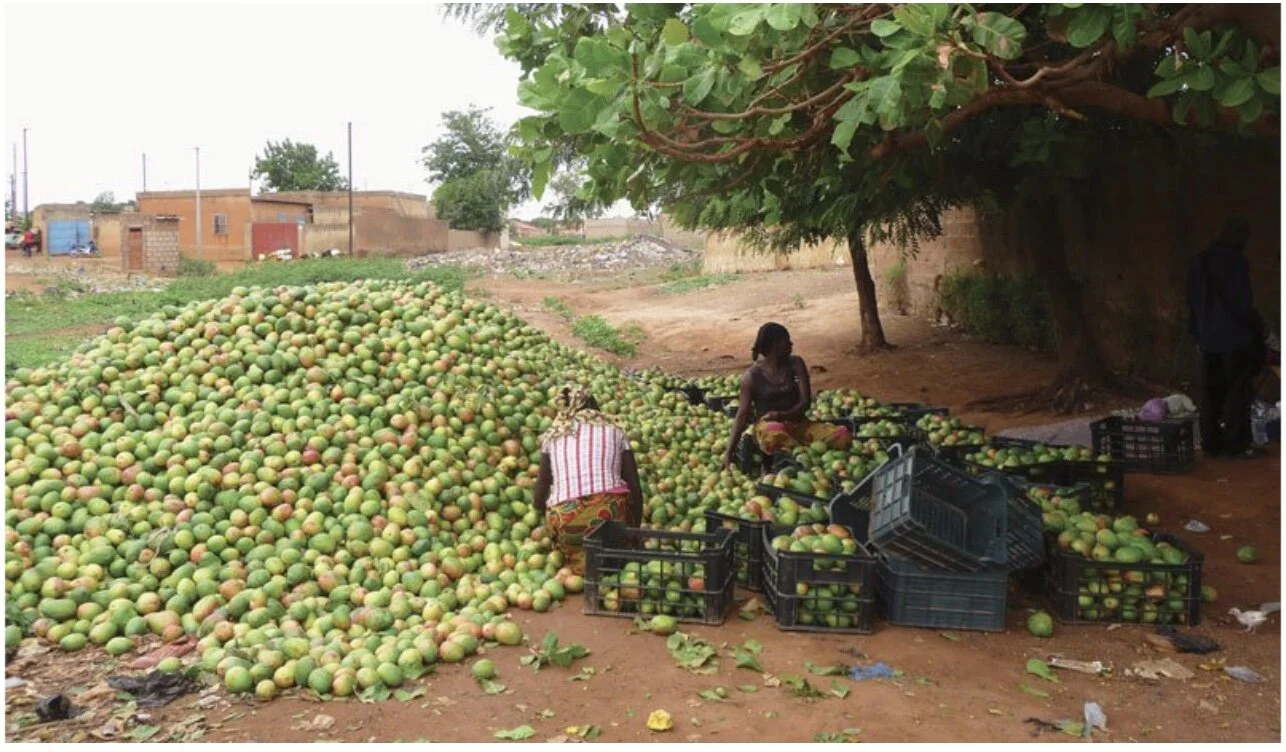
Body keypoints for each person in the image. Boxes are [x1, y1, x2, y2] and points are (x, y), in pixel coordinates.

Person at [533, 385, 644, 575]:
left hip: (567, 521)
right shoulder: (615, 430)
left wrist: (543, 517)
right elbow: (635, 488)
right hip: (609, 518)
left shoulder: (552, 436)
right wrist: (634, 532)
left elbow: (540, 491)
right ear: (594, 407)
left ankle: (577, 557)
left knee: (561, 518)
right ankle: (613, 556)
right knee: (620, 500)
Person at [1186, 217, 1265, 459]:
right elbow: (1241, 303)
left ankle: (1210, 442)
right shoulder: (1236, 262)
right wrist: (1257, 326)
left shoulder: (1200, 261)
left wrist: (1198, 334)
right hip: (1234, 339)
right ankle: (1236, 444)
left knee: (1211, 393)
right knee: (1237, 392)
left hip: (1208, 339)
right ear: (1238, 236)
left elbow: (1192, 303)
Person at [723, 322, 851, 469]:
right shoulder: (751, 377)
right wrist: (729, 452)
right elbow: (742, 416)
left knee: (842, 435)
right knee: (774, 436)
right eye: (787, 340)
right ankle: (787, 458)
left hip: (800, 425)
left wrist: (780, 415)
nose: (791, 343)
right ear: (775, 345)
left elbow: (805, 403)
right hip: (770, 428)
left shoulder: (796, 364)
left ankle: (801, 453)